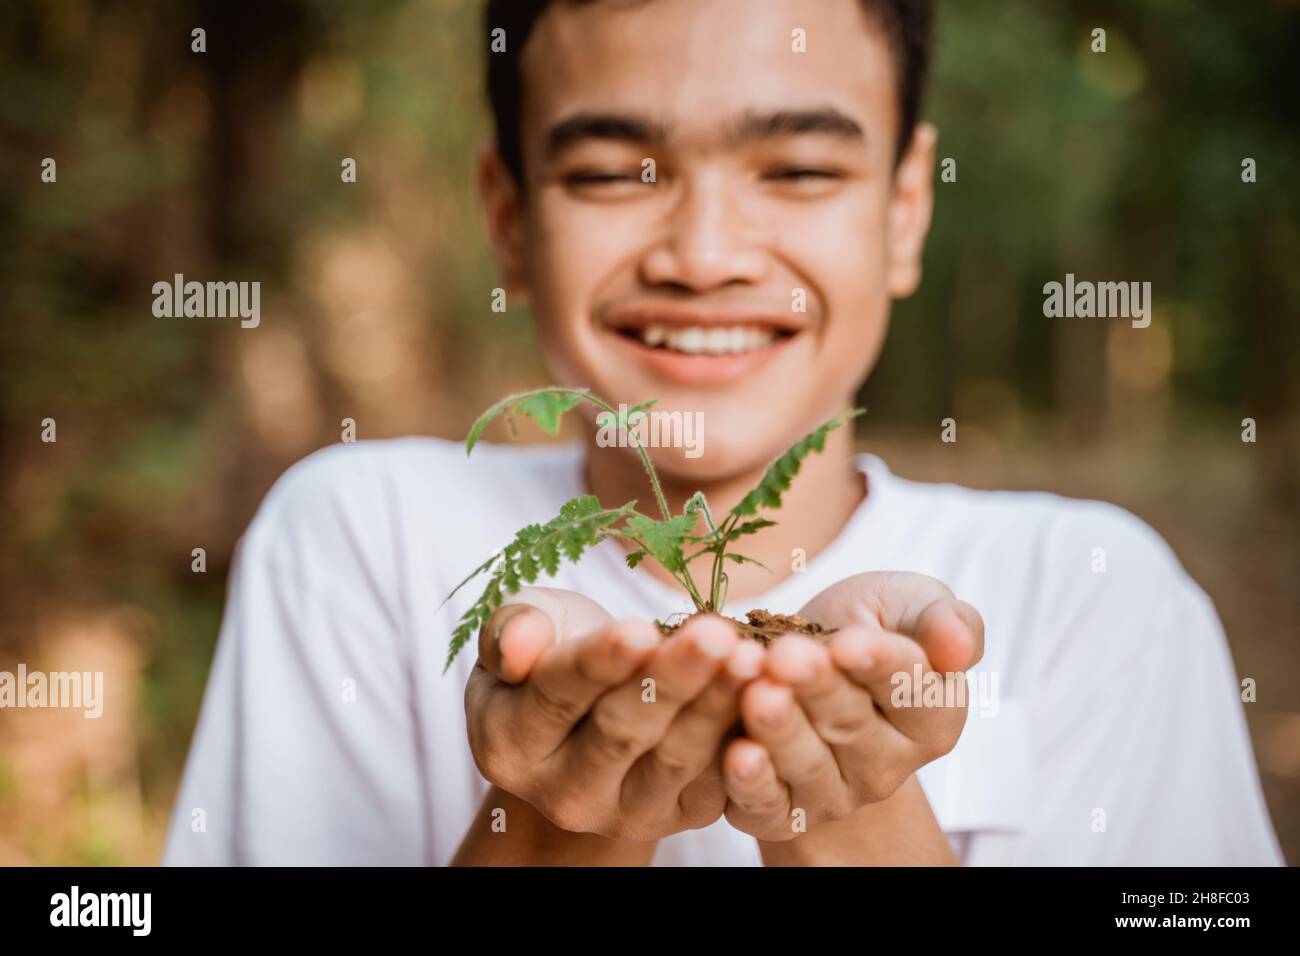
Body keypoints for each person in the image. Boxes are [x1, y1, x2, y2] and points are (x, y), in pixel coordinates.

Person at [163, 0, 1283, 866]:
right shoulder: (359, 539)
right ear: (509, 222)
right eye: (610, 172)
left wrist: (861, 813)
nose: (703, 255)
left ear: (905, 213)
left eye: (796, 169)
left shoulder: (1095, 597)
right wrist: (558, 823)